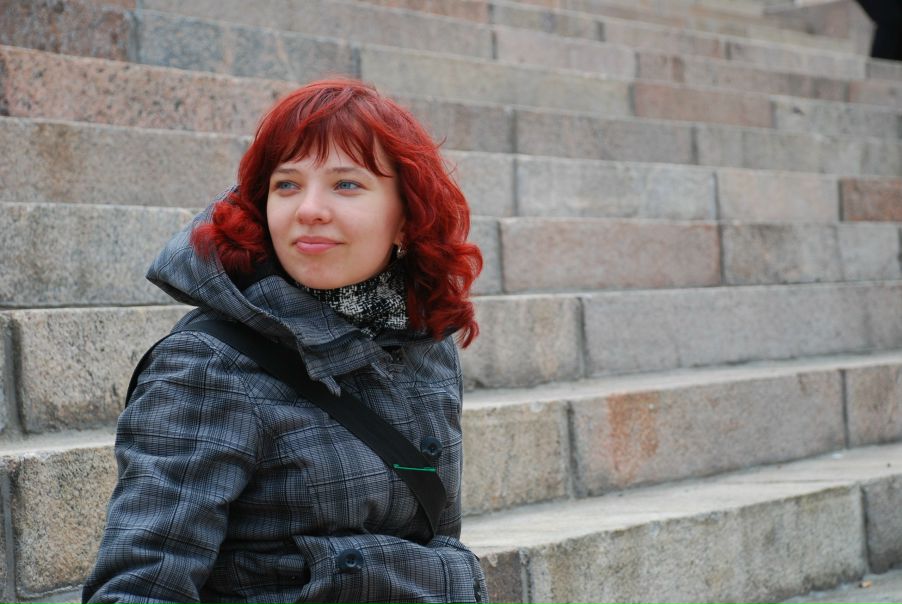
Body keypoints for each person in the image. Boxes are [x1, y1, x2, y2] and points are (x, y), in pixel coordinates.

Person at [82, 78, 488, 604]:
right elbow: (139, 588)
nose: (309, 209)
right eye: (287, 185)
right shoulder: (208, 367)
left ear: (407, 219)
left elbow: (432, 539)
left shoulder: (424, 345)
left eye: (346, 184)